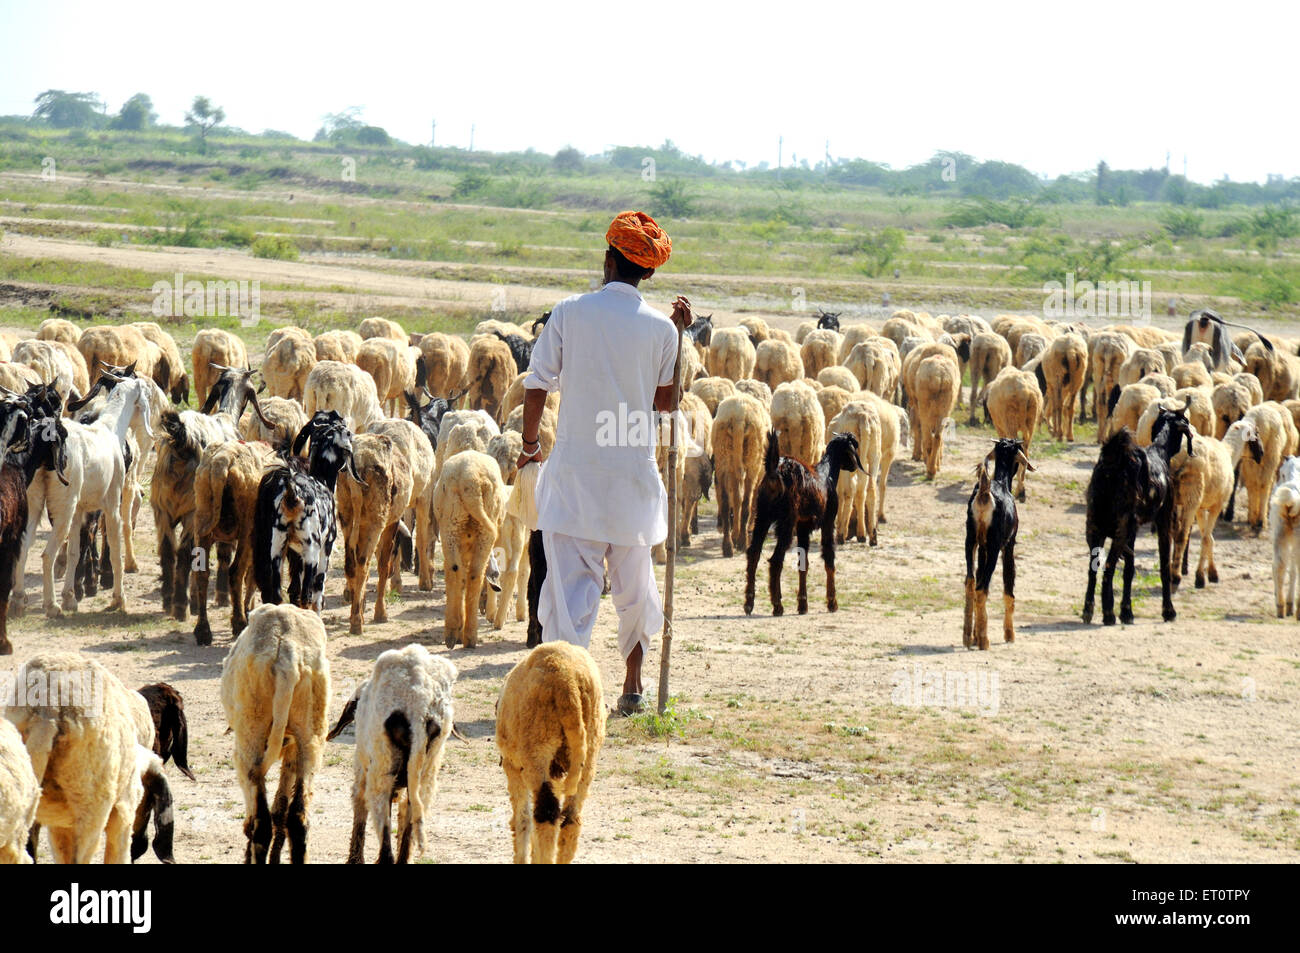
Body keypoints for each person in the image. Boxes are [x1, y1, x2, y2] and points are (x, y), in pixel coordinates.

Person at [517, 210, 690, 715]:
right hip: (633, 480)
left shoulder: (569, 312)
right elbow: (667, 402)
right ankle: (633, 688)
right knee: (636, 587)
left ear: (609, 260)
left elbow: (537, 384)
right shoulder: (661, 328)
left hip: (574, 479)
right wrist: (679, 337)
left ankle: (564, 696)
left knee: (569, 595)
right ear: (649, 273)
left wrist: (530, 446)